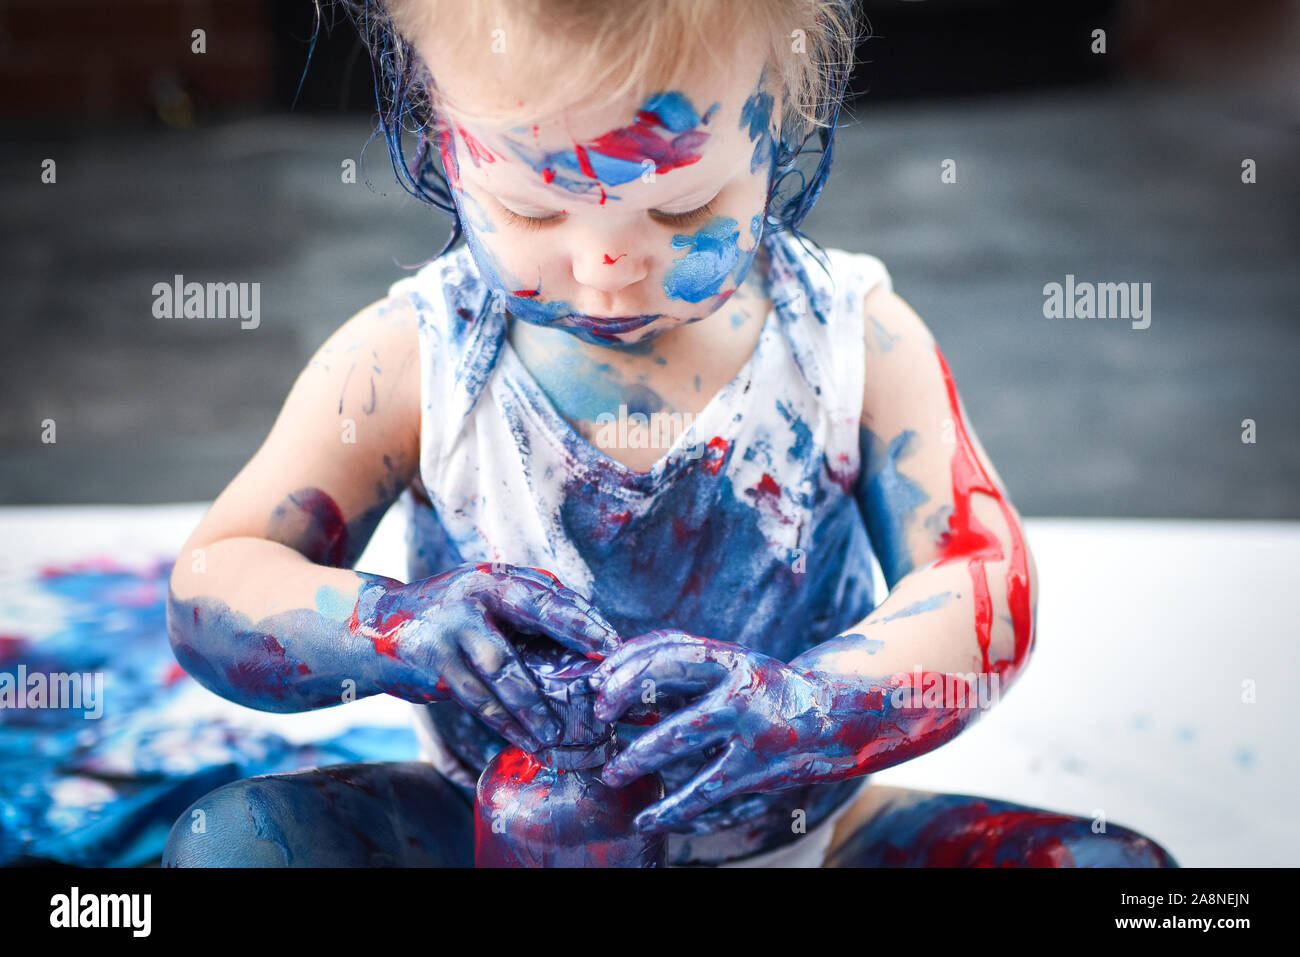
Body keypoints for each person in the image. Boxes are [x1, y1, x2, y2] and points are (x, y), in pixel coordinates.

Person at [162, 0, 1177, 867]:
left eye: (684, 207)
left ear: (780, 122)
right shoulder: (407, 358)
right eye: (529, 210)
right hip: (489, 834)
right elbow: (219, 578)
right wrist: (396, 628)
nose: (607, 267)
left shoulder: (850, 340)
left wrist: (808, 704)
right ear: (437, 132)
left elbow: (981, 589)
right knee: (231, 848)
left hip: (804, 839)